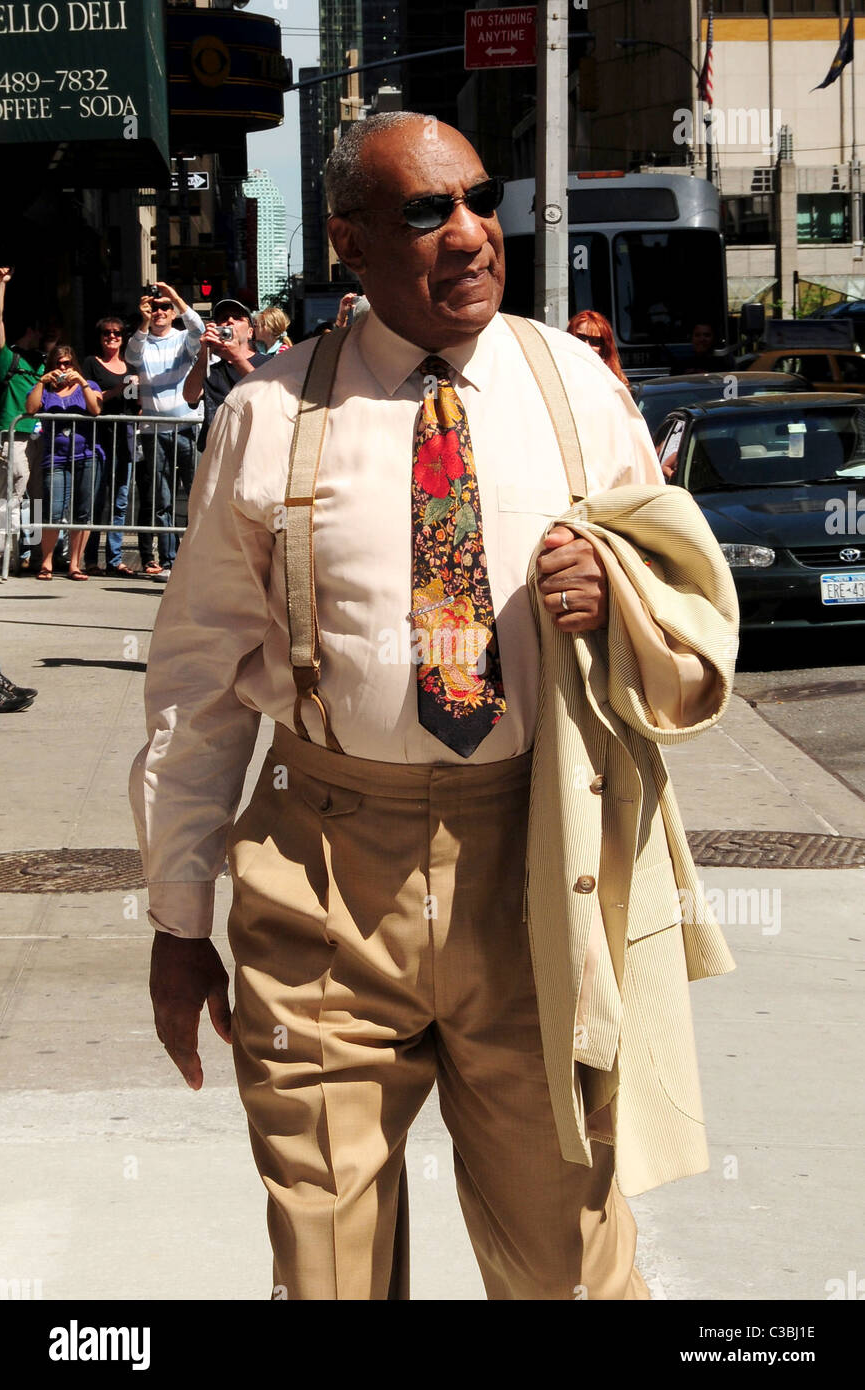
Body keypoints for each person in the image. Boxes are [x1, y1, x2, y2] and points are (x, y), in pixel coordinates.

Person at [131, 112, 732, 1301]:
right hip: (320, 879)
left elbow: (685, 606)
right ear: (347, 242)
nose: (467, 235)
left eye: (476, 200)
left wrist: (609, 594)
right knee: (329, 1273)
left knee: (569, 1262)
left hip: (533, 871)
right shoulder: (265, 413)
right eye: (423, 212)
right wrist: (178, 915)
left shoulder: (575, 387)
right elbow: (198, 681)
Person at [125, 281, 204, 582]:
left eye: (164, 308)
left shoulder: (184, 339)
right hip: (153, 430)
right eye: (154, 307)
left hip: (186, 427)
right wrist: (143, 320)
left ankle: (197, 559)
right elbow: (132, 356)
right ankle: (169, 561)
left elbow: (198, 330)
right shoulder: (141, 340)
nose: (159, 312)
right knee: (161, 499)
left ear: (172, 313)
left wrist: (176, 296)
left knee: (195, 495)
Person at [25, 345, 102, 581]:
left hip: (87, 455)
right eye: (58, 363)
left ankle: (75, 565)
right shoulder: (46, 389)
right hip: (55, 458)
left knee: (83, 512)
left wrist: (83, 383)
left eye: (67, 363)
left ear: (74, 365)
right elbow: (30, 409)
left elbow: (96, 409)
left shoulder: (87, 384)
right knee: (53, 511)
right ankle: (46, 563)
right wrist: (41, 381)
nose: (63, 368)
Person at [81, 316, 139, 577]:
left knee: (120, 501)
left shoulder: (132, 365)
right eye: (107, 333)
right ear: (100, 337)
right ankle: (91, 558)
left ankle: (115, 559)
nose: (112, 336)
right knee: (96, 501)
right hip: (98, 442)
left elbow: (136, 404)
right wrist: (119, 388)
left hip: (125, 440)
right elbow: (91, 400)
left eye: (117, 332)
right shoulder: (91, 364)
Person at [0, 267, 45, 566]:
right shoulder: (8, 356)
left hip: (39, 434)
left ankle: (37, 550)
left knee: (37, 497)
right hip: (12, 435)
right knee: (12, 495)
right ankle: (8, 555)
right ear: (32, 330)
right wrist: (1, 284)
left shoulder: (43, 362)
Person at [182, 298, 268, 453]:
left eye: (238, 318)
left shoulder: (268, 363)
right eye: (224, 318)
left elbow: (267, 394)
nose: (229, 320)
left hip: (254, 448)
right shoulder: (209, 369)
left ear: (250, 332)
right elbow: (190, 396)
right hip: (217, 451)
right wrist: (204, 352)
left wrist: (235, 357)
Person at [567, 309, 629, 385]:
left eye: (594, 341)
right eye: (580, 338)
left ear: (604, 348)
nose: (586, 345)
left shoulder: (613, 382)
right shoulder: (560, 372)